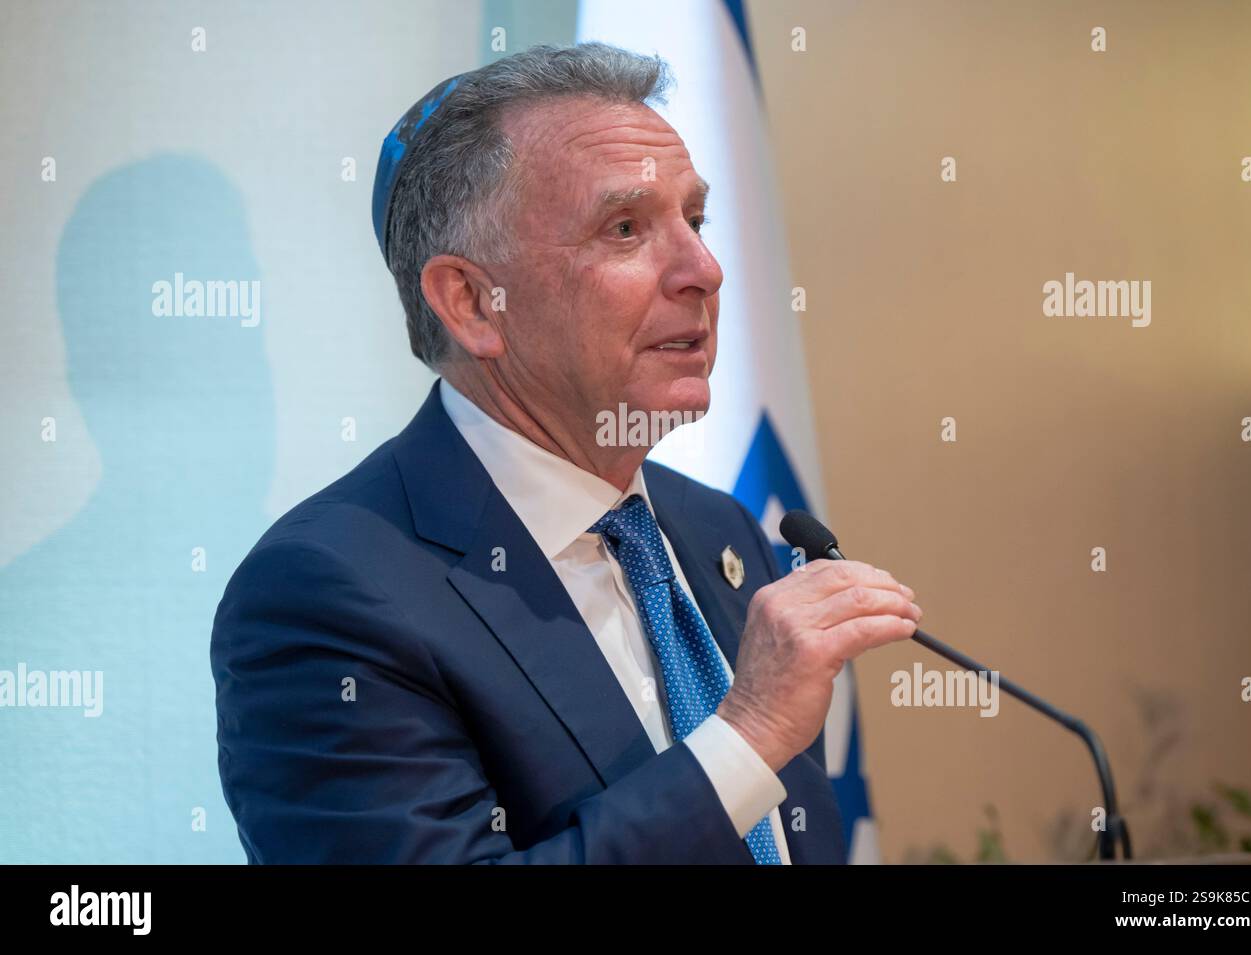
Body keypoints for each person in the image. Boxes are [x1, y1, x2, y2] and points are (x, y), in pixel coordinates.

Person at [210, 42, 922, 864]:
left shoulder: (716, 528)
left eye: (694, 219)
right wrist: (747, 734)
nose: (704, 269)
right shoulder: (327, 592)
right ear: (473, 302)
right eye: (625, 228)